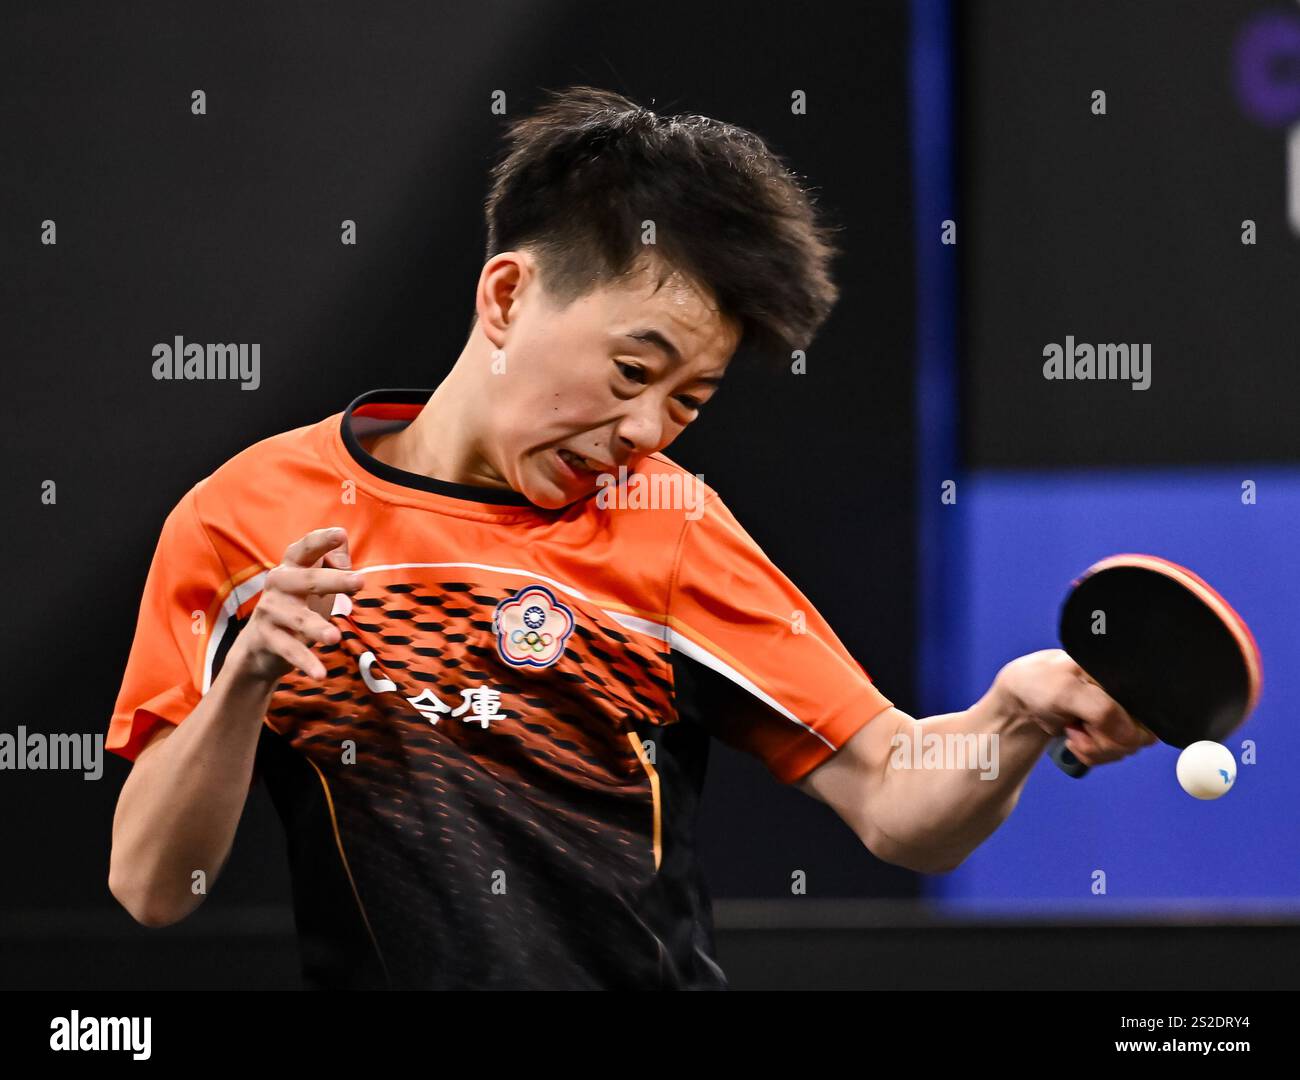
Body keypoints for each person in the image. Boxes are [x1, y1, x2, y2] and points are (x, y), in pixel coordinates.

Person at [106, 86, 1154, 990]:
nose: (647, 431)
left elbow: (894, 796)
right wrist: (244, 686)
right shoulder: (246, 518)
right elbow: (155, 887)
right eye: (630, 372)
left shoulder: (671, 528)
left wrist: (1011, 716)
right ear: (508, 295)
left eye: (690, 400)